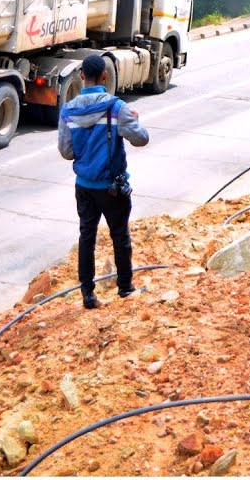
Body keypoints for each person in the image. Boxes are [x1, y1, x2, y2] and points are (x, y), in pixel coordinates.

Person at [58, 54, 150, 308]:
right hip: (112, 188)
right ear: (105, 76)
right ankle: (125, 289)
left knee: (86, 236)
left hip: (84, 186)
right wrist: (134, 119)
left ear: (82, 77)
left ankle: (88, 294)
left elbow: (66, 152)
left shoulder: (68, 110)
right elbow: (141, 138)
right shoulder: (116, 107)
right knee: (120, 236)